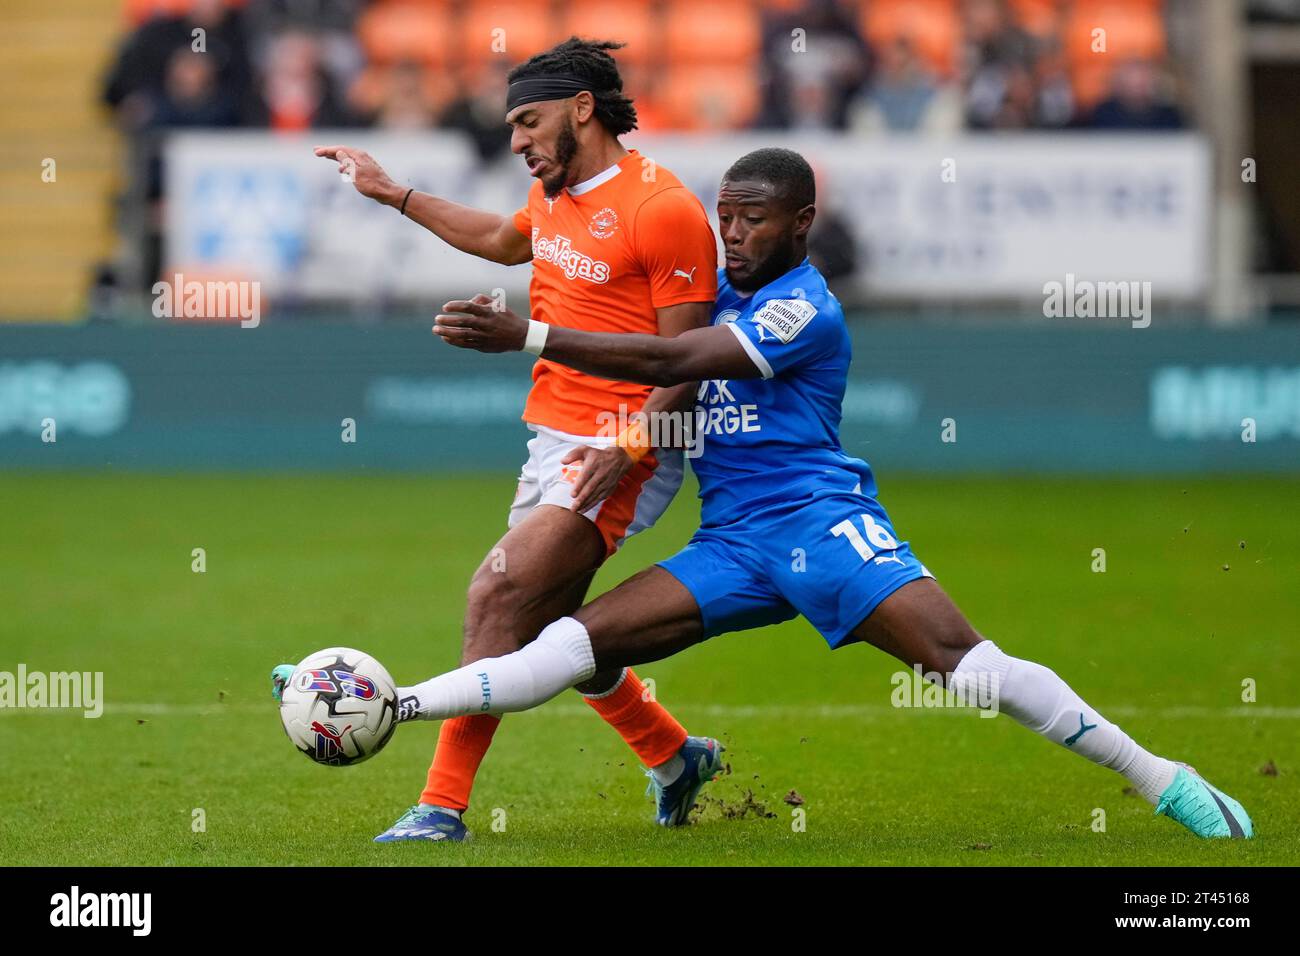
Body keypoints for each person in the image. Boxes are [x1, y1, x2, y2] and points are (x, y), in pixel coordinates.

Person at [402, 147, 1253, 841]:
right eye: (724, 217)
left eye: (753, 219)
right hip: (730, 547)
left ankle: (1165, 782)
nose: (730, 234)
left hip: (824, 526)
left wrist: (529, 334)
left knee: (968, 670)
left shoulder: (805, 308)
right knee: (568, 646)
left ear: (802, 222)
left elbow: (675, 363)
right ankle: (396, 709)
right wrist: (627, 441)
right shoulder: (711, 286)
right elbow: (644, 338)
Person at [282, 38, 724, 841]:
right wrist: (392, 193)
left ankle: (440, 808)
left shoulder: (663, 210)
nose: (517, 139)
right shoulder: (555, 194)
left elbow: (688, 360)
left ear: (581, 110)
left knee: (496, 597)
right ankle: (671, 753)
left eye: (529, 121)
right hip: (553, 438)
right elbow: (500, 239)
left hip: (624, 447)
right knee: (559, 628)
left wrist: (626, 443)